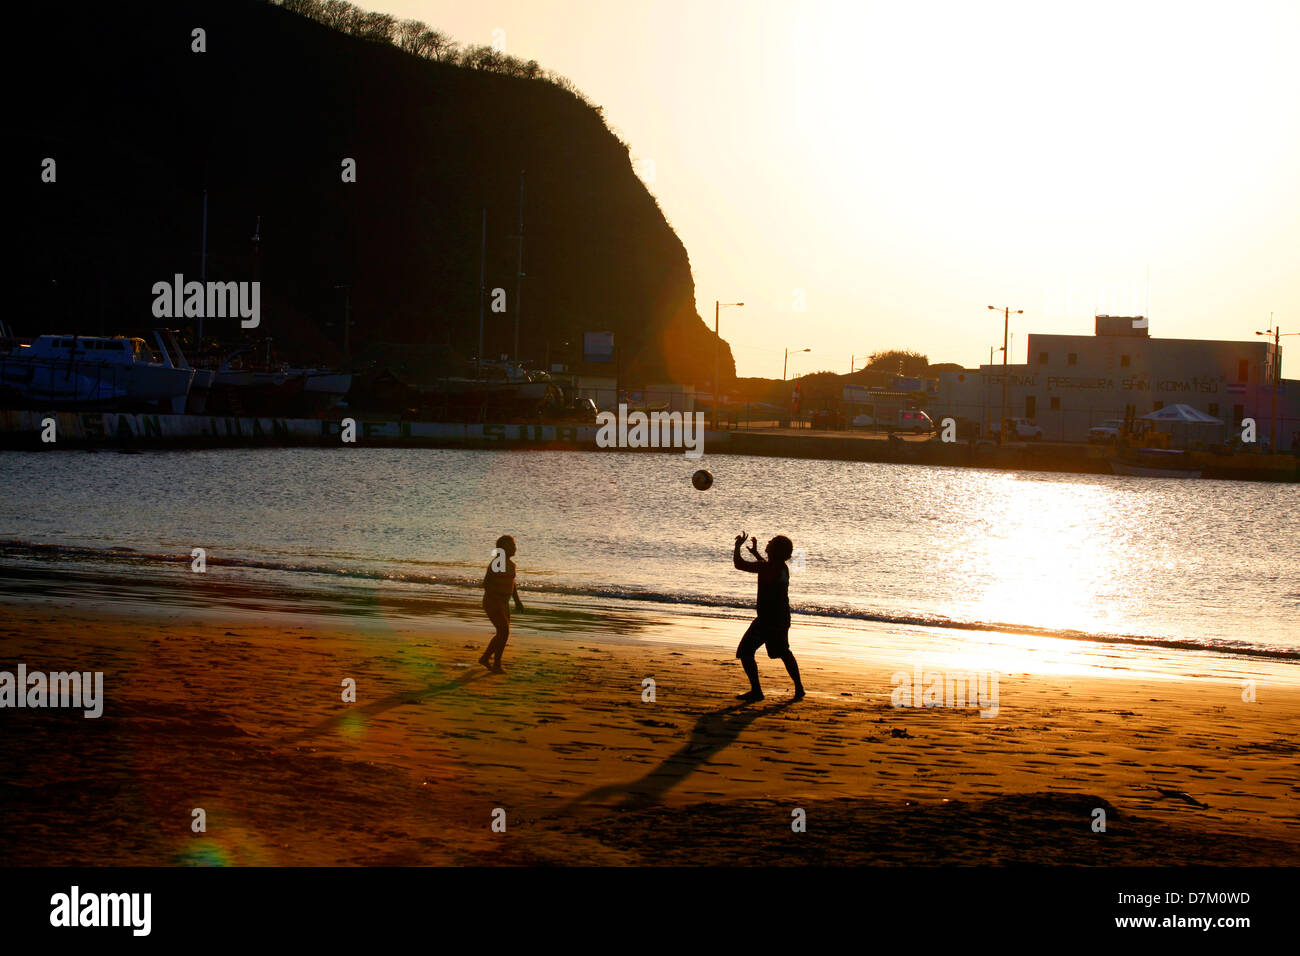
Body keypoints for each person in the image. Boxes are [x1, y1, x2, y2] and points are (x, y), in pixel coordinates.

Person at [732, 530, 804, 702]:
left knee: (746, 651)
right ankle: (799, 688)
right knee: (782, 652)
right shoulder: (781, 567)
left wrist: (737, 547)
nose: (768, 542)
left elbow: (739, 564)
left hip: (767, 620)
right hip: (781, 618)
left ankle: (756, 691)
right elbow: (767, 567)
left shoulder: (768, 567)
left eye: (771, 542)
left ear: (775, 550)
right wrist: (756, 553)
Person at [479, 535, 524, 673]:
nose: (515, 548)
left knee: (503, 633)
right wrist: (496, 600)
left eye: (514, 545)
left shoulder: (512, 565)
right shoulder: (497, 563)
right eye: (511, 546)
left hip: (504, 603)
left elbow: (512, 584)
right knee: (504, 631)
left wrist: (517, 601)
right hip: (493, 602)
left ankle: (487, 658)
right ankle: (495, 663)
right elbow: (486, 584)